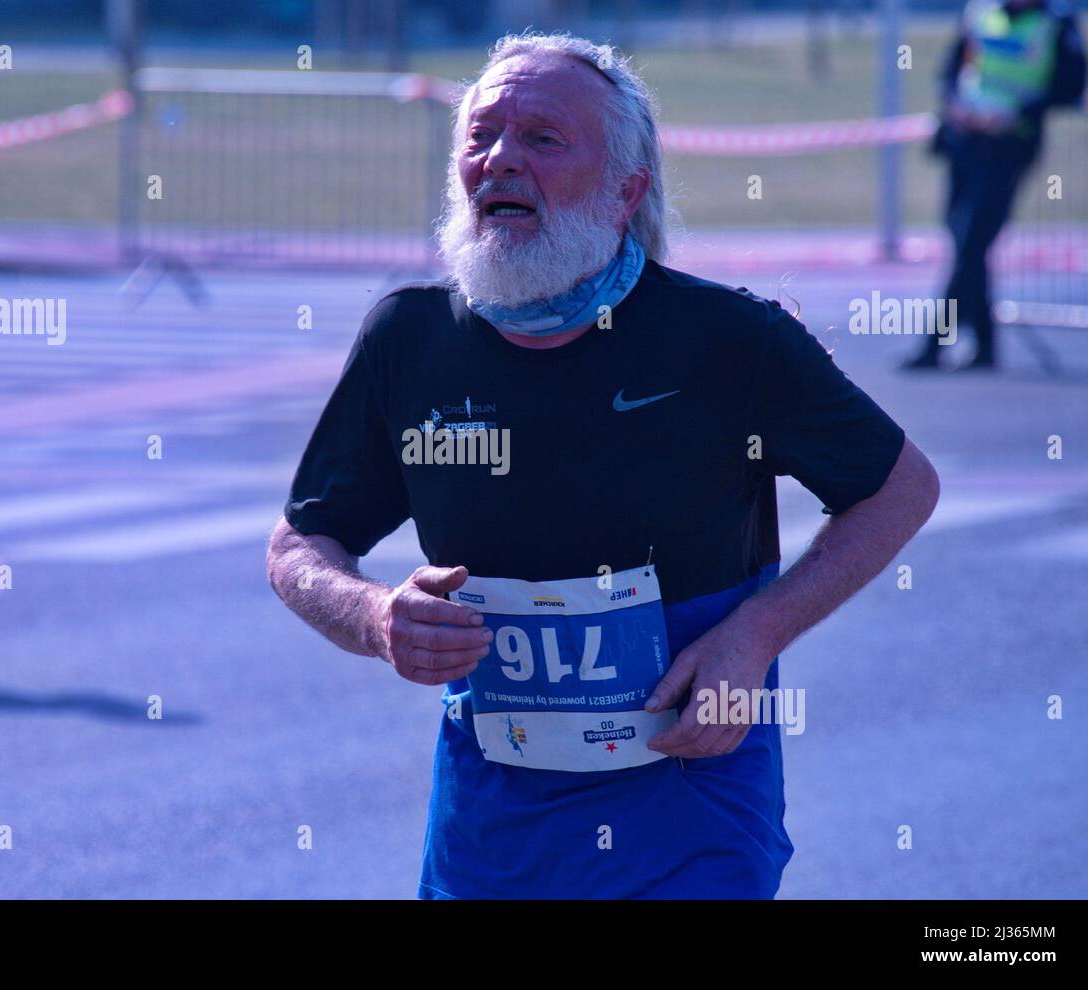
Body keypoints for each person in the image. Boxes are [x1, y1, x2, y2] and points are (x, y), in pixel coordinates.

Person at [267, 32, 940, 899]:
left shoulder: (729, 341)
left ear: (628, 191)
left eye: (543, 139)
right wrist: (374, 618)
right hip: (494, 826)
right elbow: (299, 544)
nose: (501, 159)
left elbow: (900, 487)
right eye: (481, 135)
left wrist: (756, 635)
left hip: (690, 806)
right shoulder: (410, 340)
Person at [902, 0, 1088, 372]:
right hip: (966, 141)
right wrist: (955, 105)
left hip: (1009, 145)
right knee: (963, 240)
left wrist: (1018, 112)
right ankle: (985, 346)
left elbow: (1071, 85)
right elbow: (954, 66)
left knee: (973, 241)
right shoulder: (980, 12)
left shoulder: (1057, 23)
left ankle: (935, 345)